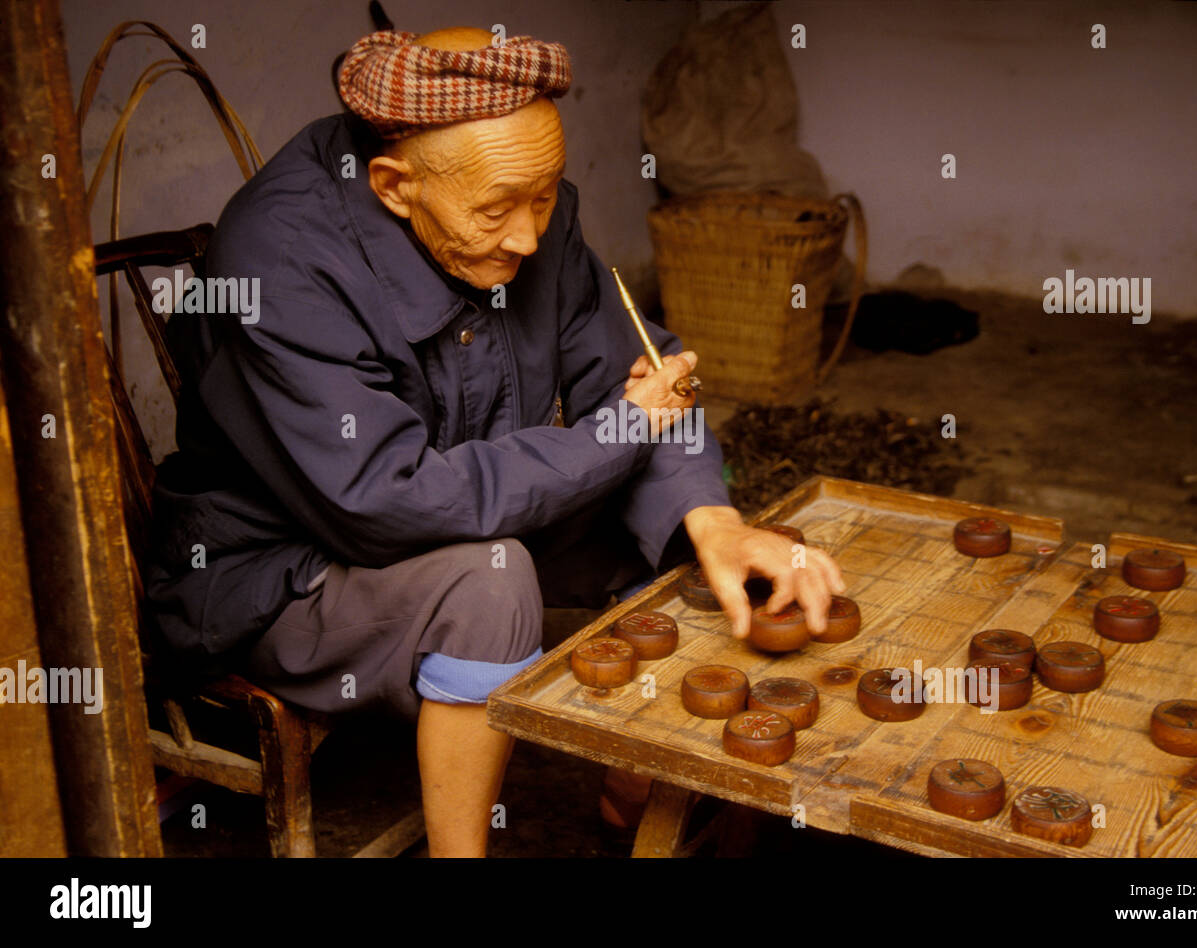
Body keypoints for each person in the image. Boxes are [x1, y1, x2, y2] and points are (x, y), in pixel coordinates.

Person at [146, 26, 844, 857]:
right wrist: (617, 430)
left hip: (455, 512)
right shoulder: (281, 259)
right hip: (278, 572)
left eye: (545, 197)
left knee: (693, 535)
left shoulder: (524, 212)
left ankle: (636, 794)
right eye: (496, 210)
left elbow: (637, 372)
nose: (528, 237)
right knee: (493, 582)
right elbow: (383, 500)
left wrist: (715, 521)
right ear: (395, 185)